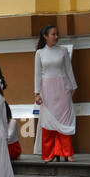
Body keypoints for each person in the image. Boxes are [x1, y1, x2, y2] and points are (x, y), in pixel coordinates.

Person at [34, 25, 77, 162]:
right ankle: (49, 153)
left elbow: (69, 70)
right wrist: (37, 93)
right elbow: (37, 75)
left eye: (57, 34)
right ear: (45, 36)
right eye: (53, 34)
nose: (56, 37)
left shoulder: (63, 51)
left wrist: (73, 86)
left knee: (65, 119)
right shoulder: (40, 53)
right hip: (47, 90)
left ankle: (67, 152)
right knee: (48, 121)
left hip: (63, 89)